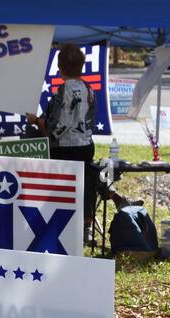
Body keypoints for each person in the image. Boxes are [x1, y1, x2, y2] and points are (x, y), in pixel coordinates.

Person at [28, 44, 128, 238]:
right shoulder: (89, 90)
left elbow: (53, 127)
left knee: (69, 184)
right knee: (88, 178)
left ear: (60, 68)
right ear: (82, 67)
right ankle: (88, 223)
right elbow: (89, 120)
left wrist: (36, 121)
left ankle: (64, 222)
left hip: (63, 150)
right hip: (85, 146)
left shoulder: (61, 92)